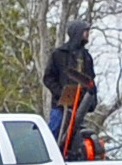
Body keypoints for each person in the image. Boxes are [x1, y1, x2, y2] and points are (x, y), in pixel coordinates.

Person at [41, 19, 98, 155]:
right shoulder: (59, 54)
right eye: (85, 31)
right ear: (77, 33)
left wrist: (91, 100)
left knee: (79, 138)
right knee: (54, 132)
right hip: (61, 107)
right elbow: (48, 78)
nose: (87, 34)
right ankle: (49, 156)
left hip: (79, 107)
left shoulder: (87, 57)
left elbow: (91, 81)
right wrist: (61, 94)